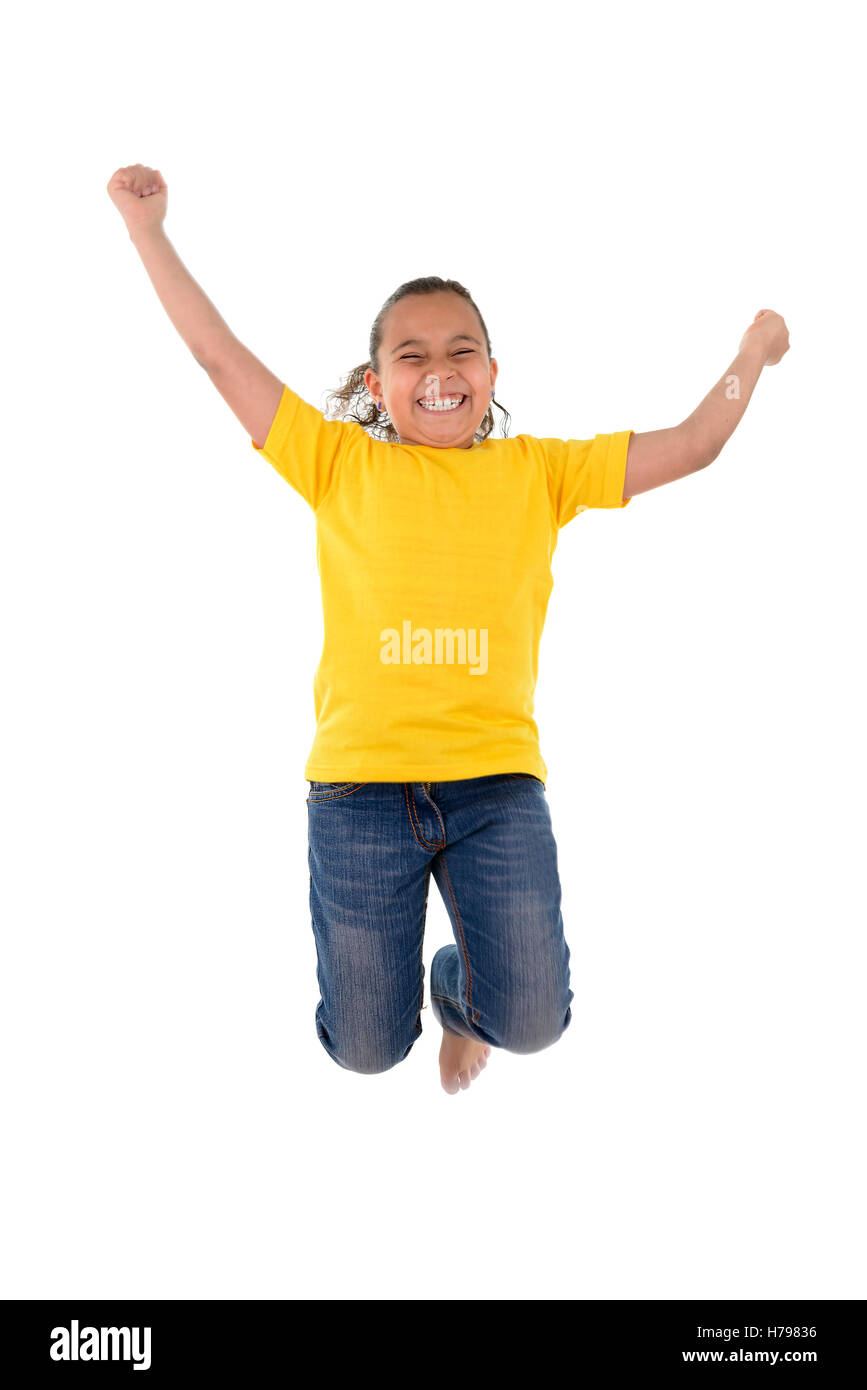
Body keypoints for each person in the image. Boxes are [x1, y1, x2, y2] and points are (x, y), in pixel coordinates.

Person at [107, 163, 791, 1095]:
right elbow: (219, 355)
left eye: (461, 351)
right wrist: (148, 231)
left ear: (492, 373)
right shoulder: (334, 460)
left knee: (533, 1023)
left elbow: (694, 444)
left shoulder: (539, 473)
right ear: (376, 380)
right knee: (365, 1052)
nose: (439, 372)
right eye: (412, 355)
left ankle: (458, 997)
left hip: (494, 788)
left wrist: (753, 348)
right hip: (358, 796)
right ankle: (412, 1007)